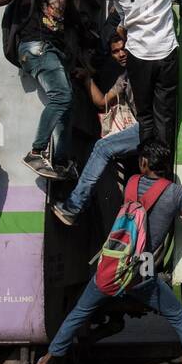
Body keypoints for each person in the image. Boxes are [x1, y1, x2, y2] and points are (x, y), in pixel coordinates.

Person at [26, 141, 182, 364]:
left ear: (143, 163)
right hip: (141, 273)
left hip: (113, 266)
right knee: (178, 318)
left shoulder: (131, 183)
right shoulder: (176, 194)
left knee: (78, 314)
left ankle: (44, 362)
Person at [0, 0, 89, 180]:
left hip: (55, 49)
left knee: (67, 103)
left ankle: (59, 160)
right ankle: (37, 151)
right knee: (62, 96)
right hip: (35, 44)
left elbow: (75, 22)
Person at [106, 0, 182, 149]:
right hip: (165, 49)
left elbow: (122, 15)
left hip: (137, 53)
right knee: (165, 112)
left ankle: (147, 163)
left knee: (145, 114)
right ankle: (163, 166)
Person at [52, 30, 139, 225]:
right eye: (116, 51)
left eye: (124, 48)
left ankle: (73, 207)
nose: (121, 54)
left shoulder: (140, 66)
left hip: (148, 127)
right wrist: (87, 78)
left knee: (102, 147)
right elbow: (102, 102)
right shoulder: (124, 78)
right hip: (143, 129)